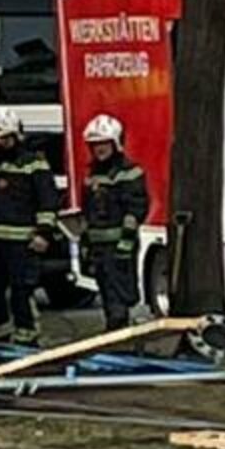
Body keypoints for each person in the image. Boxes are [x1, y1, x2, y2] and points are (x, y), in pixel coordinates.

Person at [0, 107, 60, 346]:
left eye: (6, 138)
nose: (2, 143)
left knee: (21, 292)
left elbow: (48, 200)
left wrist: (44, 233)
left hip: (23, 241)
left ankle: (27, 339)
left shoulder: (32, 163)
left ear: (17, 136)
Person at [79, 113, 151, 333]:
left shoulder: (129, 172)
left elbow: (136, 209)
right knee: (107, 294)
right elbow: (87, 212)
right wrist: (85, 243)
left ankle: (119, 336)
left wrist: (126, 244)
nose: (99, 149)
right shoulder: (92, 175)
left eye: (103, 143)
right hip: (98, 247)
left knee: (120, 295)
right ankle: (115, 334)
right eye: (94, 144)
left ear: (115, 143)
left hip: (118, 246)